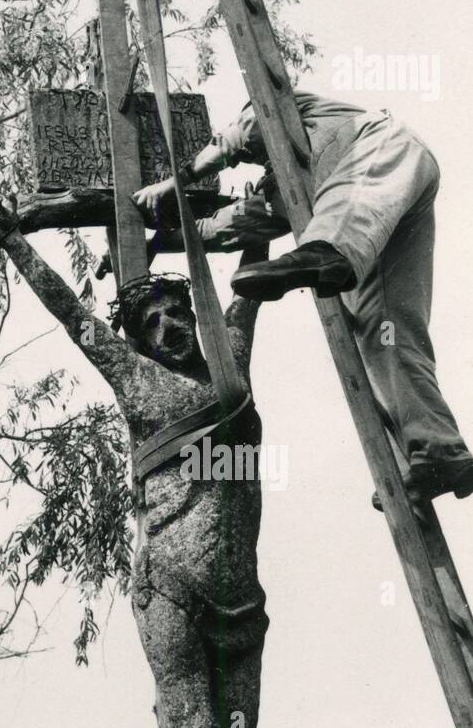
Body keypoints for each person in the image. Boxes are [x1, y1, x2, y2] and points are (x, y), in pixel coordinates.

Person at [0, 198, 269, 728]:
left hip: (241, 601)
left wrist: (259, 220)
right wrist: (14, 243)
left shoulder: (229, 363)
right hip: (171, 589)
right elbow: (73, 316)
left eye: (176, 314)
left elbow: (252, 291)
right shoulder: (134, 377)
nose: (169, 326)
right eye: (153, 321)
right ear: (139, 338)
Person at [134, 91, 473, 506]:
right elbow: (224, 229)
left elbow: (235, 136)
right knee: (384, 333)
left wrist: (173, 182)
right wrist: (157, 240)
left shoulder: (284, 109)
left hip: (382, 156)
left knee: (334, 241)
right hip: (378, 218)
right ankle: (440, 454)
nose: (251, 159)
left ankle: (324, 254)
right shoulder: (285, 193)